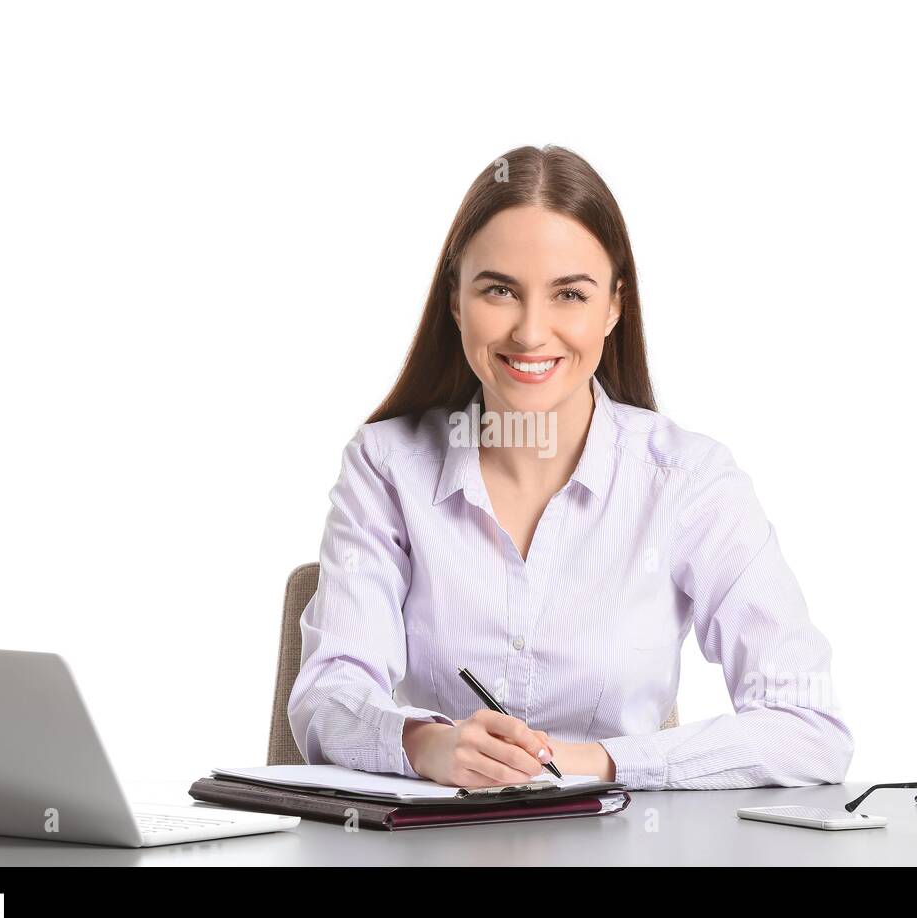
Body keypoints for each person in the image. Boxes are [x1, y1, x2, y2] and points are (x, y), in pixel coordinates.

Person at [287, 145, 854, 790]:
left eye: (570, 295)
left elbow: (809, 728)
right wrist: (427, 745)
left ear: (614, 306)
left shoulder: (689, 478)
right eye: (499, 290)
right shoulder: (387, 466)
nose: (531, 333)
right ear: (454, 299)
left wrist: (600, 762)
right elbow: (328, 695)